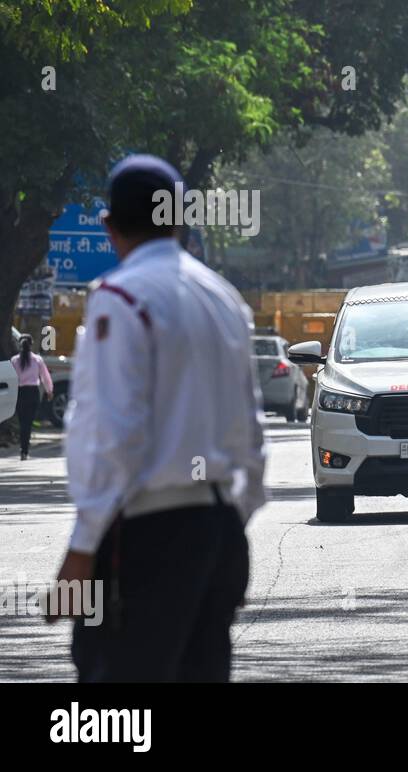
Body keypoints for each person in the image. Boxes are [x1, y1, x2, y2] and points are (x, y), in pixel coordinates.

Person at [49, 154, 267, 682]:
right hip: (217, 530)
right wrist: (228, 525)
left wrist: (82, 548)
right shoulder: (224, 298)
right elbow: (252, 435)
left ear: (108, 227)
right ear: (179, 220)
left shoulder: (119, 297)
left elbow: (113, 433)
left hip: (143, 538)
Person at [9, 333, 54, 460]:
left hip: (20, 393)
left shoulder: (14, 360)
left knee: (22, 422)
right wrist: (49, 391)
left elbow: (11, 379)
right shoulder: (37, 360)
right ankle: (25, 450)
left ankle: (23, 449)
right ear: (32, 344)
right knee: (28, 422)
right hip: (33, 393)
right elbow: (45, 377)